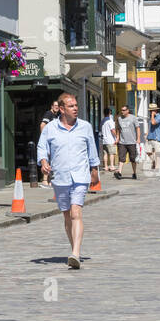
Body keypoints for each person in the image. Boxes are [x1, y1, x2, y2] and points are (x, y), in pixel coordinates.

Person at [37, 94, 100, 269]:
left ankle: (76, 253)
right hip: (60, 176)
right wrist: (43, 162)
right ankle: (74, 249)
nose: (75, 108)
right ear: (62, 109)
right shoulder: (51, 128)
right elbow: (42, 147)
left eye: (76, 105)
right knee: (66, 215)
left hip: (80, 176)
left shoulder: (85, 127)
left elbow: (92, 149)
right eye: (71, 106)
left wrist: (94, 170)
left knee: (75, 212)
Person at [38, 100, 61, 186]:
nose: (56, 107)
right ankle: (44, 180)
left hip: (54, 141)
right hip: (48, 140)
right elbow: (42, 125)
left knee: (52, 160)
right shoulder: (49, 114)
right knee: (46, 159)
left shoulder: (57, 116)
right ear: (51, 106)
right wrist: (44, 138)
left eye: (58, 106)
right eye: (55, 106)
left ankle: (50, 179)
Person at [115, 104, 140, 179]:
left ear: (127, 111)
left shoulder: (133, 118)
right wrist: (117, 138)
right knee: (121, 158)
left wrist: (138, 138)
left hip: (132, 142)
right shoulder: (119, 119)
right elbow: (119, 129)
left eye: (124, 110)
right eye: (121, 110)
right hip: (122, 142)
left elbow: (137, 128)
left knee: (132, 159)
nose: (122, 111)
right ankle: (119, 173)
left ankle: (134, 173)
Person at [100, 108, 118, 172]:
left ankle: (106, 166)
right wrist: (117, 136)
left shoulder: (102, 121)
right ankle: (112, 166)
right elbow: (113, 130)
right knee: (111, 153)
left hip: (104, 140)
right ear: (110, 113)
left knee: (105, 154)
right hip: (110, 140)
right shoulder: (110, 121)